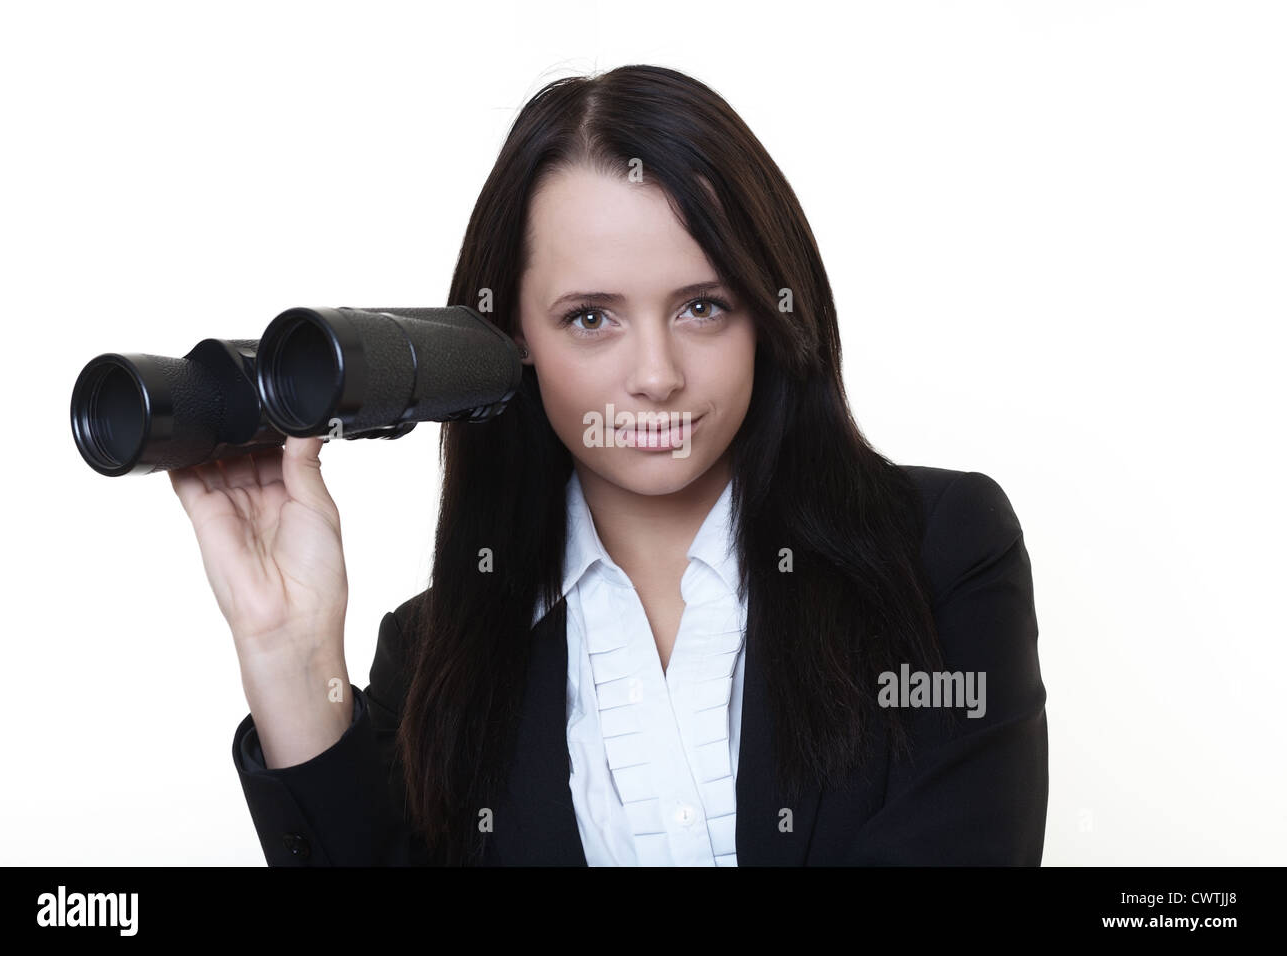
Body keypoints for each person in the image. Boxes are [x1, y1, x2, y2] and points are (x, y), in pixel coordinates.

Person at [170, 64, 1048, 866]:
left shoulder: (941, 556)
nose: (657, 376)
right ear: (506, 343)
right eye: (591, 318)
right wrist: (289, 651)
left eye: (704, 306)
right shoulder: (439, 655)